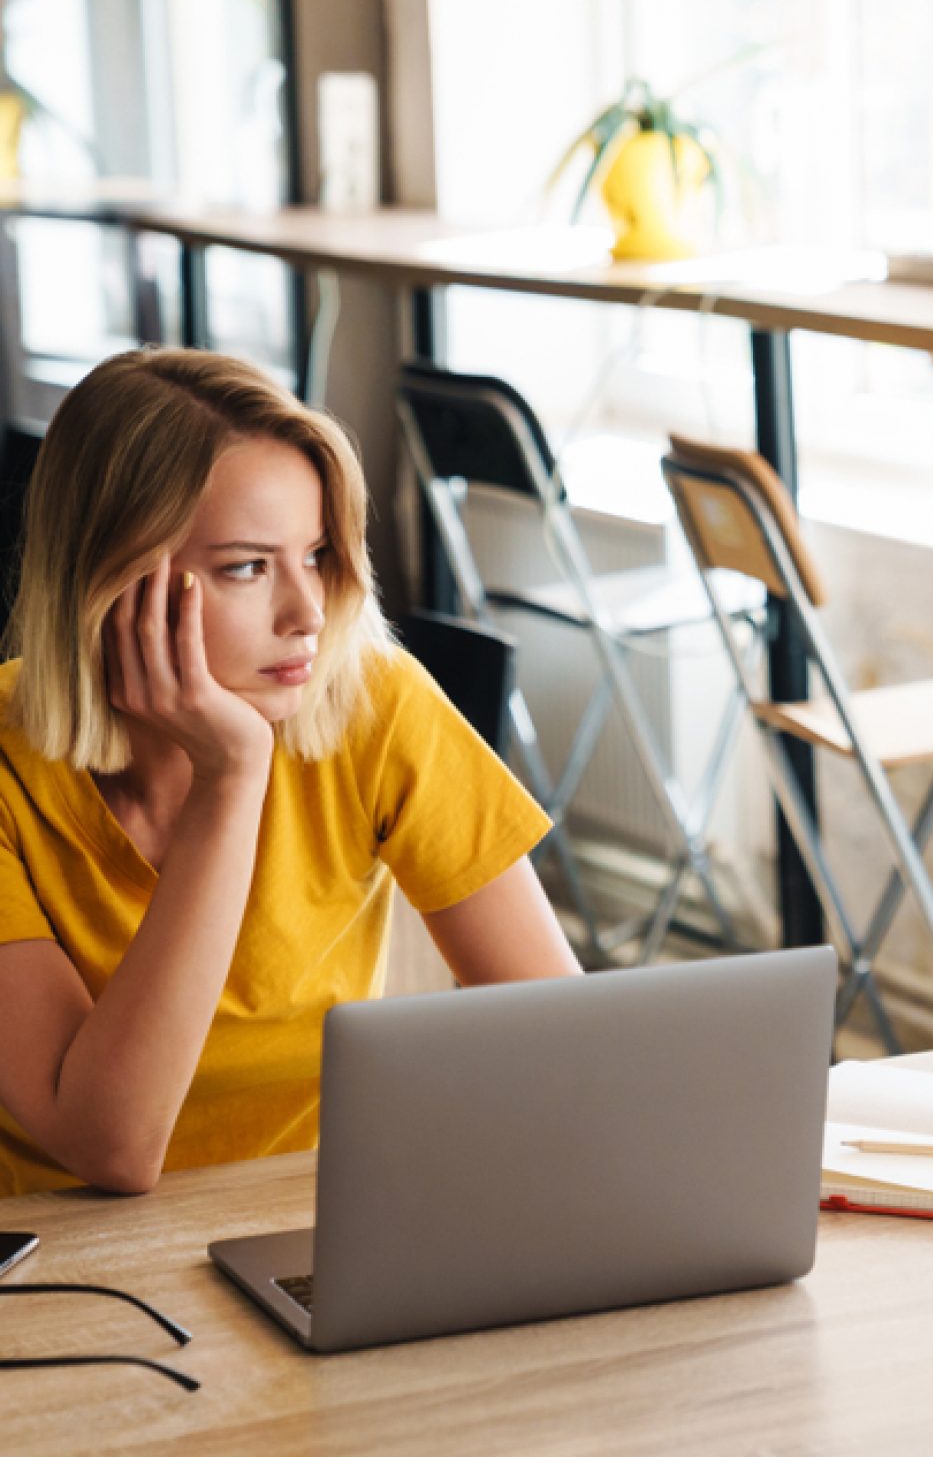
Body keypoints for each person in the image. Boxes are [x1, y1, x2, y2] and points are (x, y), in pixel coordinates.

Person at [0, 348, 582, 1198]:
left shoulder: (369, 702)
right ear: (109, 581)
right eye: (246, 566)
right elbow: (111, 1148)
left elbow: (568, 1045)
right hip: (75, 1268)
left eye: (314, 554)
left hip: (322, 1229)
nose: (307, 613)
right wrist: (231, 777)